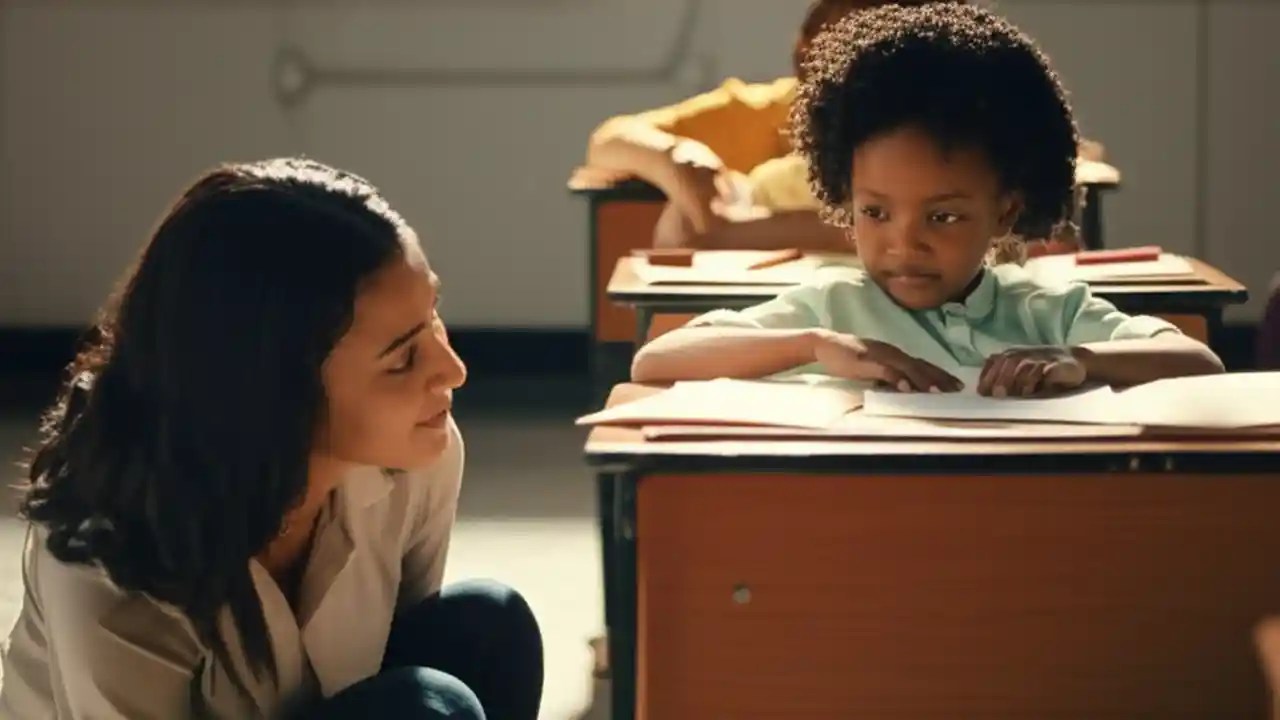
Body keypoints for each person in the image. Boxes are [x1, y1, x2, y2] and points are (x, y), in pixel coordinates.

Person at [0, 158, 543, 719]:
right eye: (403, 358)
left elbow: (384, 674)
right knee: (427, 709)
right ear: (278, 391)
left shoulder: (415, 457)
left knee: (489, 626)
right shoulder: (116, 550)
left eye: (432, 320)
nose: (453, 370)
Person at [630, 3, 1223, 398]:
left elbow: (1199, 362)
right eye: (875, 212)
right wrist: (811, 345)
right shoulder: (832, 308)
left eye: (943, 216)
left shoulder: (1048, 313)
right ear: (845, 198)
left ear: (1005, 212)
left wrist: (1082, 359)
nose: (904, 242)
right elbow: (656, 360)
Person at [586, 0, 1108, 254]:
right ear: (806, 50)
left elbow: (1046, 232)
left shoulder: (965, 123)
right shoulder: (765, 112)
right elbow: (611, 140)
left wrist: (743, 232)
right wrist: (676, 163)